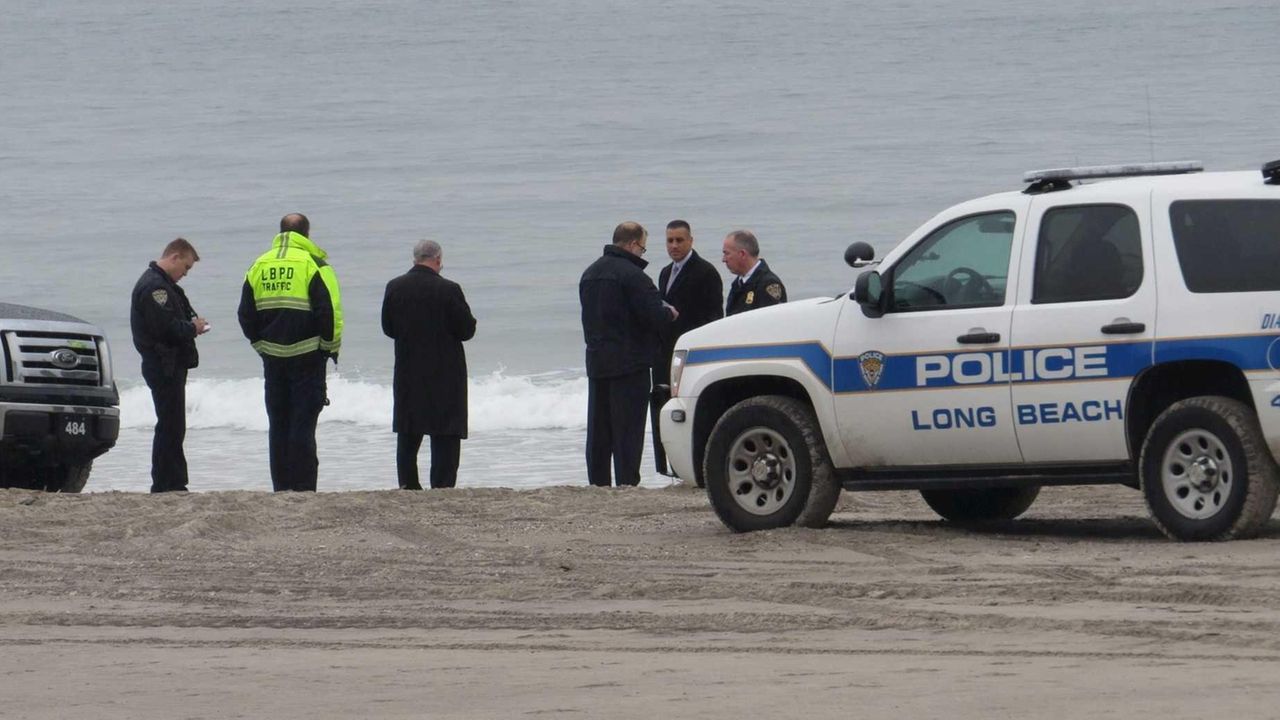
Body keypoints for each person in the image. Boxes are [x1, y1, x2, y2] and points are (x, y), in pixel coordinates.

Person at [237, 213, 343, 492]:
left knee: (279, 424)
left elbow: (245, 315)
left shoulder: (259, 265)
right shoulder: (315, 265)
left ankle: (281, 487)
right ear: (306, 234)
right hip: (308, 358)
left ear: (280, 232)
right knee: (303, 424)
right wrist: (329, 350)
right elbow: (330, 314)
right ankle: (304, 488)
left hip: (272, 361)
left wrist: (261, 346)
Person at [579, 221, 678, 487]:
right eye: (643, 249)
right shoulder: (634, 276)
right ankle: (626, 483)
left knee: (599, 431)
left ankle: (597, 484)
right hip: (629, 364)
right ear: (633, 244)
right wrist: (668, 312)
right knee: (628, 431)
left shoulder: (589, 274)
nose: (642, 254)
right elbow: (653, 314)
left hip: (598, 362)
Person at [381, 240, 477, 490]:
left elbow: (388, 328)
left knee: (408, 431)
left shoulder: (395, 287)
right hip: (445, 371)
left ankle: (408, 485)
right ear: (437, 259)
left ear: (414, 260)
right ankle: (442, 486)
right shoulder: (449, 289)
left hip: (408, 370)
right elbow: (467, 330)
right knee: (446, 433)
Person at [130, 238, 210, 493]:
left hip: (168, 362)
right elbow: (166, 329)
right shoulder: (156, 287)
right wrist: (193, 328)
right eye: (185, 267)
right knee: (170, 425)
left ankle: (170, 481)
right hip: (163, 363)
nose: (185, 274)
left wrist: (190, 324)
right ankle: (168, 483)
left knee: (172, 424)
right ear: (174, 257)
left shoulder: (164, 284)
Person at [650, 219, 723, 474]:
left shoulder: (706, 272)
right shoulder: (664, 272)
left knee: (687, 411)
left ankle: (692, 467)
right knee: (664, 410)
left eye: (679, 240)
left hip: (691, 354)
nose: (674, 246)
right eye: (670, 240)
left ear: (691, 240)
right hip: (665, 354)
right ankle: (668, 467)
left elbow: (714, 317)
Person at [722, 229, 787, 316]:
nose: (723, 259)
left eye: (727, 254)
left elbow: (772, 321)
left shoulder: (768, 284)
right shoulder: (738, 283)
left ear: (742, 254)